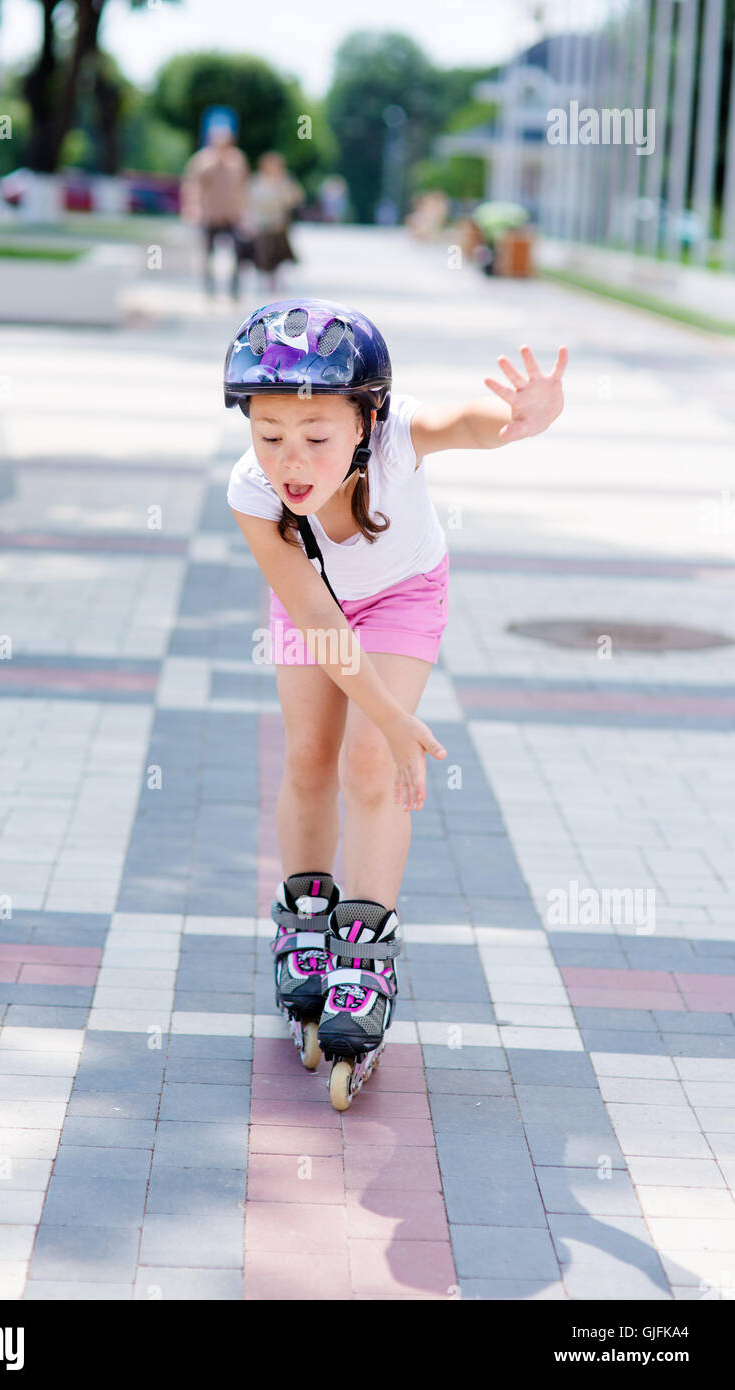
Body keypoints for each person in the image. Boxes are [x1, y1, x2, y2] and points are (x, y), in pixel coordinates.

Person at [224, 298, 567, 1107]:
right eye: (268, 434)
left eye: (315, 437)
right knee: (309, 754)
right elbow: (314, 617)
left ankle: (364, 952)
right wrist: (384, 707)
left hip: (404, 596)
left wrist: (523, 419)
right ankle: (307, 918)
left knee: (372, 765)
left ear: (365, 419)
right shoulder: (252, 495)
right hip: (318, 607)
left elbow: (470, 422)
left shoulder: (399, 434)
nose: (290, 461)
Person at [180, 124, 249, 300]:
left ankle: (234, 291)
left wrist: (245, 213)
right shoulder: (202, 160)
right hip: (209, 215)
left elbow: (244, 188)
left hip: (232, 216)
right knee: (207, 255)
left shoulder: (238, 160)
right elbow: (192, 186)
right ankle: (209, 291)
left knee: (238, 255)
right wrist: (192, 209)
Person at [236, 151, 303, 294]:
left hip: (279, 225)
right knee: (264, 256)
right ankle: (266, 283)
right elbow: (248, 202)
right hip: (262, 226)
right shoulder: (256, 182)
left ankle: (277, 283)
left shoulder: (285, 181)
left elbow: (294, 200)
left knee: (279, 256)